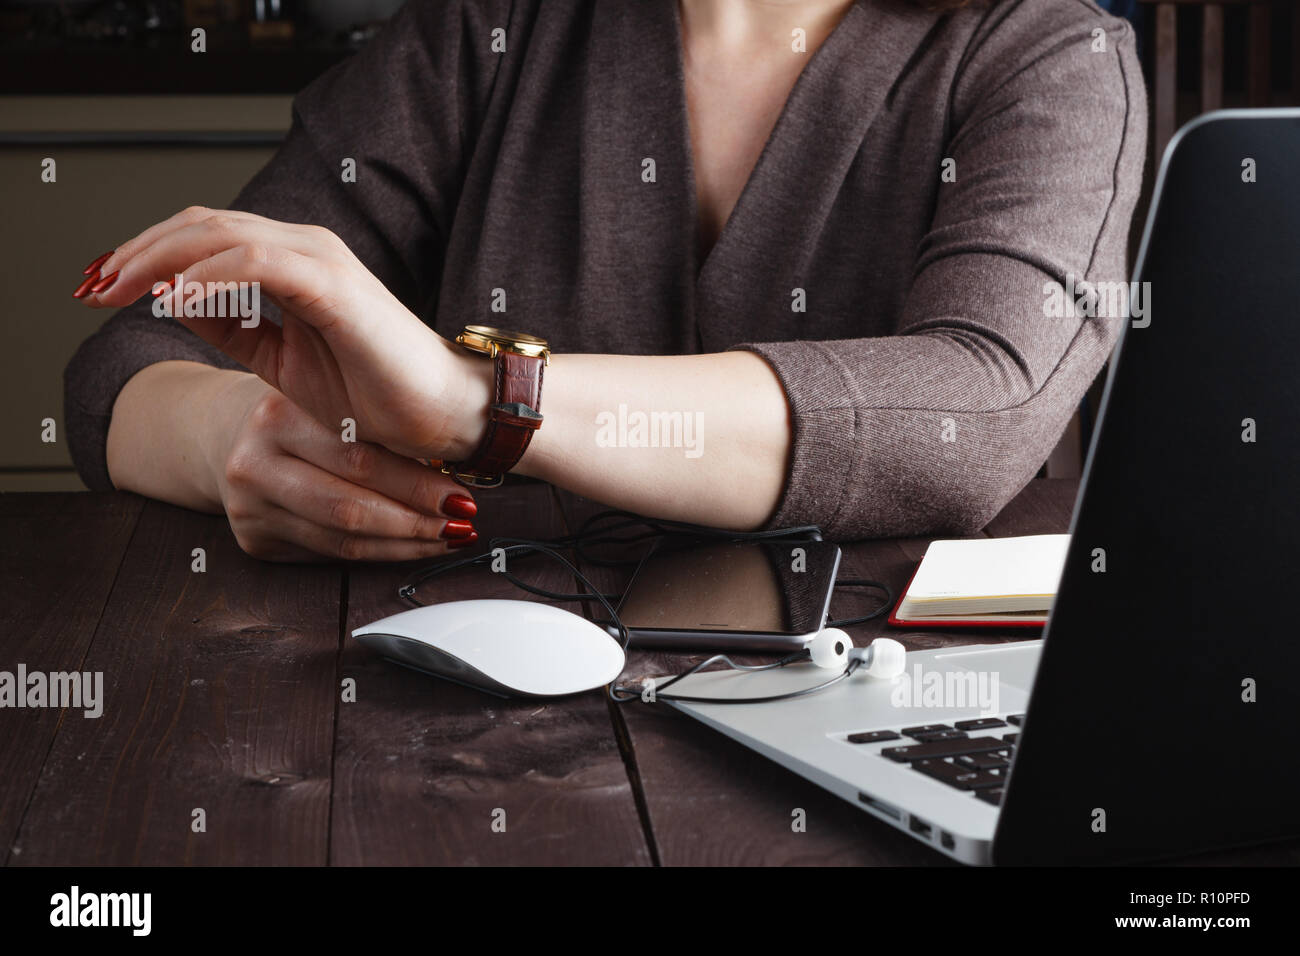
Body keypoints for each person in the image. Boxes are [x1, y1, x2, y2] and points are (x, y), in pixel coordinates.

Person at [65, 0, 1146, 562]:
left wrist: (479, 404)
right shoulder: (485, 27)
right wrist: (235, 437)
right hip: (468, 739)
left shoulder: (1048, 52)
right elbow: (129, 359)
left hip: (895, 728)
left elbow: (978, 405)